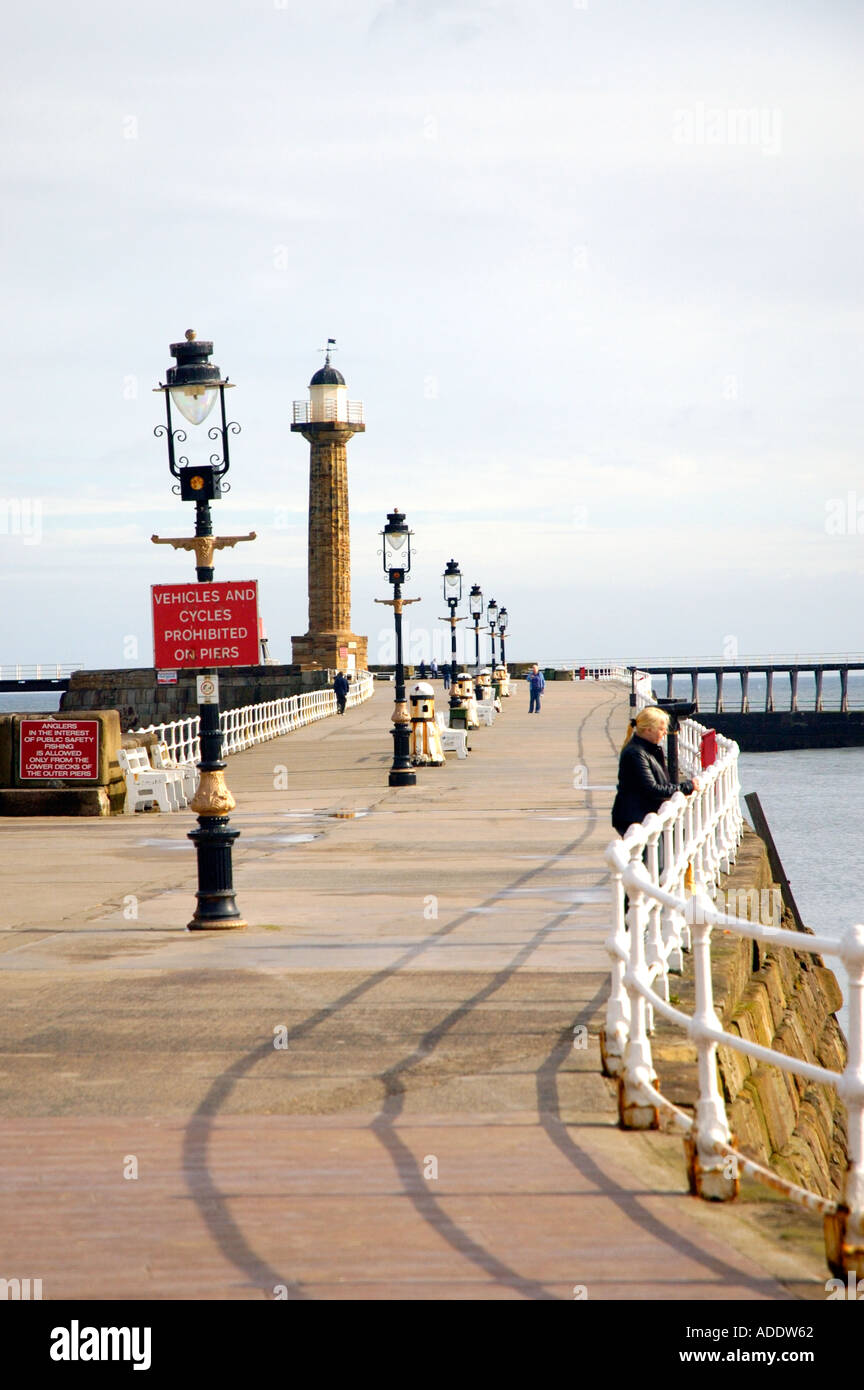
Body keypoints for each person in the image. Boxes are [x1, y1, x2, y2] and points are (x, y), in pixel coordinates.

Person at [611, 706, 699, 836]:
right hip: (634, 817)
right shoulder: (636, 753)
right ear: (648, 730)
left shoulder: (648, 750)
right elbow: (652, 789)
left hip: (640, 814)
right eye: (661, 729)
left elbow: (659, 784)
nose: (664, 733)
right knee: (648, 854)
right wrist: (687, 787)